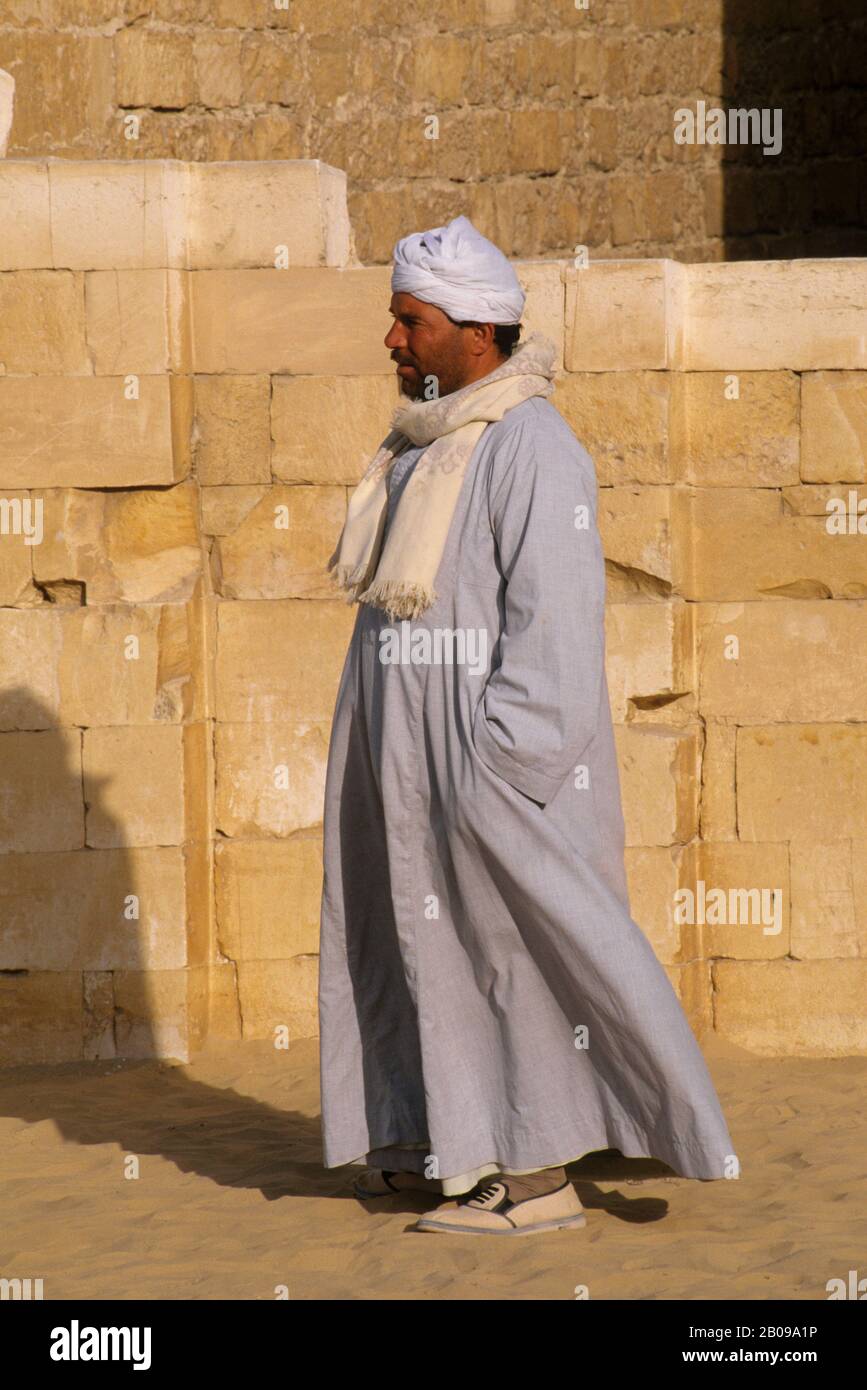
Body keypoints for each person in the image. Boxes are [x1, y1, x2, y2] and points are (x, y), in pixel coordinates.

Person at [317, 214, 736, 1237]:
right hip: (406, 762)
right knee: (412, 948)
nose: (392, 341)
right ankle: (441, 1140)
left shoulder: (533, 449)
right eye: (393, 319)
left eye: (408, 321)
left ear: (474, 331)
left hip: (493, 769)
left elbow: (553, 632)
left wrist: (492, 772)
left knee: (510, 955)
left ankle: (538, 1179)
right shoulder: (424, 445)